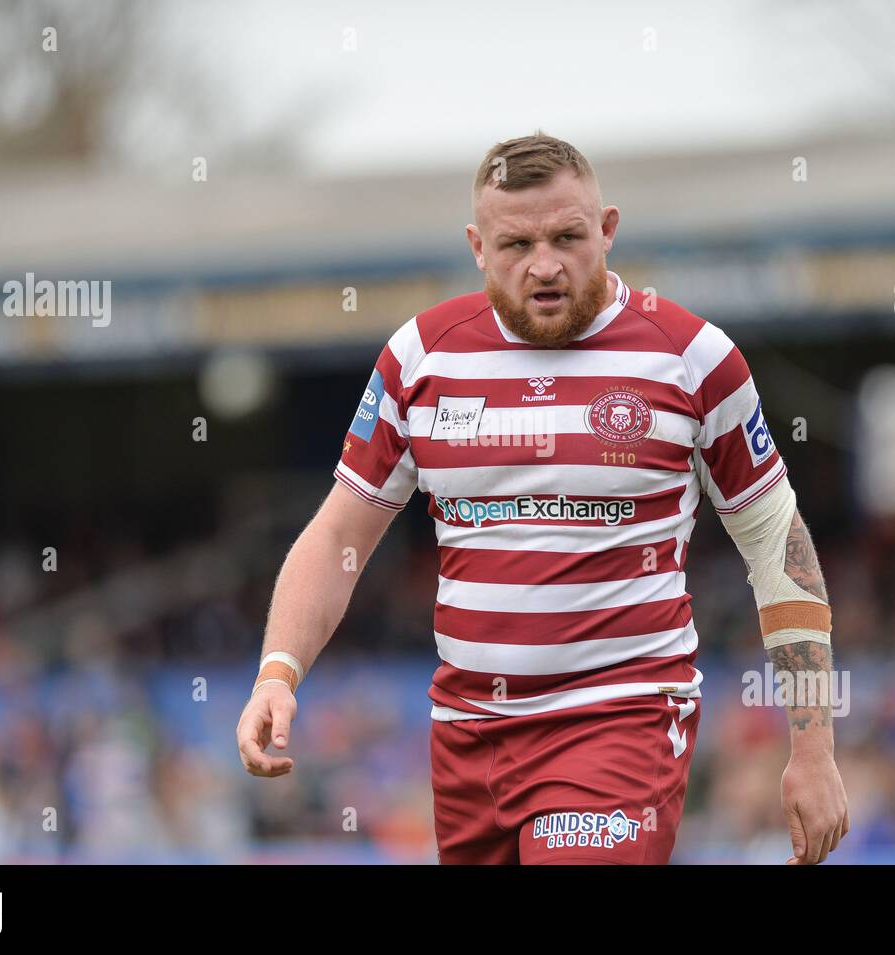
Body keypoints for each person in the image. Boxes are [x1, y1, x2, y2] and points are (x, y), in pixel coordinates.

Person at [237, 132, 848, 865]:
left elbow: (780, 547)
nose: (546, 264)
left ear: (609, 229)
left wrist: (813, 747)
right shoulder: (419, 358)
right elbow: (340, 533)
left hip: (619, 721)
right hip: (467, 736)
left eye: (568, 236)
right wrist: (278, 671)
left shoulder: (693, 357)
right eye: (516, 244)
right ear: (476, 246)